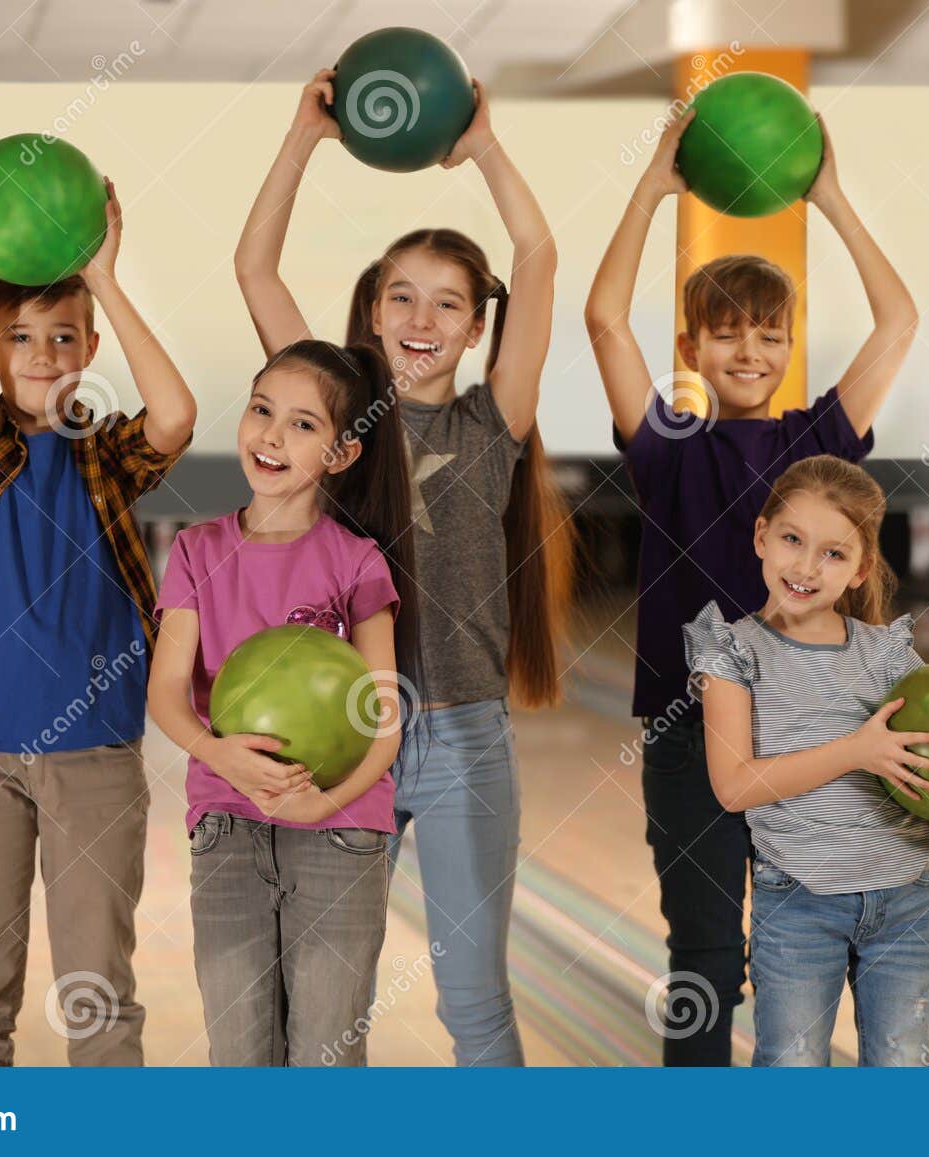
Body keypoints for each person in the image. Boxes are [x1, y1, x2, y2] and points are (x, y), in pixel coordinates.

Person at [231, 70, 572, 1066]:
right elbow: (255, 271)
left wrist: (483, 148)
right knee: (325, 1009)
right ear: (371, 313)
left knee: (474, 1004)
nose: (422, 317)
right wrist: (303, 139)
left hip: (465, 736)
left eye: (449, 304)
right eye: (401, 297)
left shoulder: (491, 421)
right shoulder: (334, 409)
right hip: (339, 731)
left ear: (476, 326)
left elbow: (540, 257)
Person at [584, 108, 920, 1064]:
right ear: (691, 348)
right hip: (692, 733)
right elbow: (604, 317)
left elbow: (899, 320)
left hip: (811, 727)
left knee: (803, 953)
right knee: (706, 952)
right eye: (725, 334)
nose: (748, 352)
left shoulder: (814, 442)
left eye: (769, 335)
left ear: (789, 347)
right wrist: (653, 186)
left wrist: (833, 200)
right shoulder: (667, 448)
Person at [0, 178, 195, 1065]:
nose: (46, 354)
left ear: (92, 346)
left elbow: (173, 416)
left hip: (95, 755)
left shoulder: (106, 456)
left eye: (65, 337)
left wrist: (109, 281)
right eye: (21, 338)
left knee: (99, 1003)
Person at [687, 456, 929, 1066]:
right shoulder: (733, 649)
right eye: (793, 540)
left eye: (833, 553)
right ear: (761, 536)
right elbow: (735, 786)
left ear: (860, 570)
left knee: (901, 1068)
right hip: (798, 903)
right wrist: (856, 750)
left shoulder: (886, 655)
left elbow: (914, 782)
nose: (806, 565)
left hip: (903, 901)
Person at [147, 339, 419, 1066]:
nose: (271, 434)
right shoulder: (197, 550)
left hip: (341, 829)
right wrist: (215, 752)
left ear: (341, 454)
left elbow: (383, 722)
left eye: (303, 424)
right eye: (262, 409)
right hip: (227, 826)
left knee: (325, 1060)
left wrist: (322, 804)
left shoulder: (356, 561)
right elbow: (167, 691)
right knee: (240, 1060)